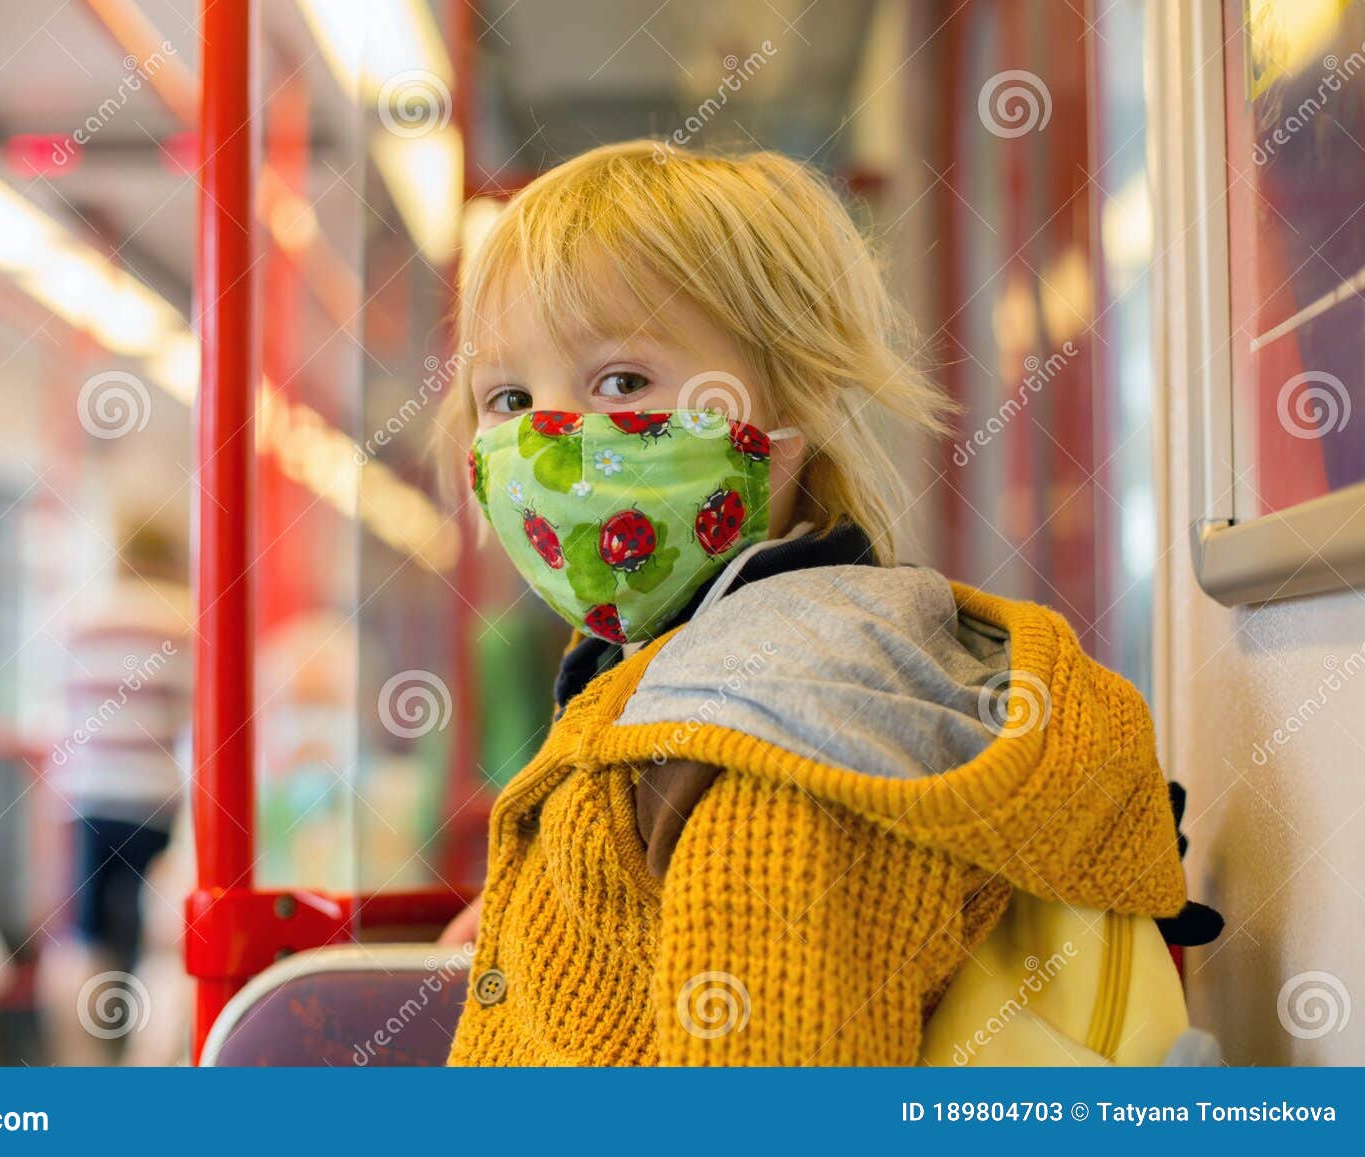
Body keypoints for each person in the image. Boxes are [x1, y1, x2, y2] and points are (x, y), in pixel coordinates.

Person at [437, 141, 1217, 1065]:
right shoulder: (680, 667)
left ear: (788, 408)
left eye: (622, 382)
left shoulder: (774, 746)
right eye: (510, 396)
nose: (550, 441)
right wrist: (540, 912)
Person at [39, 522, 191, 1065]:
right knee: (157, 943)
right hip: (154, 802)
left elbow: (56, 709)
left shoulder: (81, 617)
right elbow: (193, 721)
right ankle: (142, 1070)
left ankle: (79, 1068)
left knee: (83, 938)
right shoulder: (184, 620)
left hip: (86, 796)